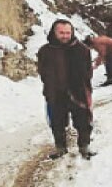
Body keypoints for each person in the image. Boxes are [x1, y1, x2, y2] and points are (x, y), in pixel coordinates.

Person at [37, 20, 96, 160]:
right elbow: (42, 71)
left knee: (83, 122)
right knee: (57, 122)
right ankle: (60, 148)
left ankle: (84, 147)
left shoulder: (82, 49)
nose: (65, 36)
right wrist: (50, 85)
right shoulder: (45, 51)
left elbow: (88, 71)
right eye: (61, 33)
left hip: (78, 92)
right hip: (55, 93)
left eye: (68, 33)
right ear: (54, 32)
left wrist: (83, 87)